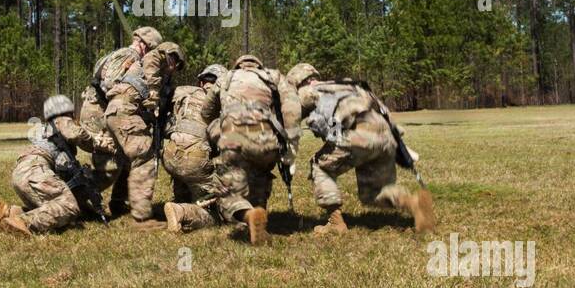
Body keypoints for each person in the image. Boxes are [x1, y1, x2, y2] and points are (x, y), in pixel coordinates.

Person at [285, 63, 436, 235]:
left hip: (359, 135)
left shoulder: (309, 91)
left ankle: (335, 222)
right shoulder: (349, 86)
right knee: (373, 193)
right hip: (385, 137)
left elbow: (292, 116)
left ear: (297, 81)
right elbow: (383, 111)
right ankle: (413, 203)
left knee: (319, 167)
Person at [0, 94, 117, 238]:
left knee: (54, 207)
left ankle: (8, 212)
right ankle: (23, 222)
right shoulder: (62, 120)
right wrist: (100, 144)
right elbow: (76, 134)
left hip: (24, 172)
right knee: (68, 206)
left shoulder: (49, 131)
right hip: (35, 169)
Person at [209, 54, 302, 245]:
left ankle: (248, 215)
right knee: (260, 174)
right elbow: (292, 106)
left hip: (233, 139)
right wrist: (291, 142)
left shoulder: (225, 78)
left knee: (227, 187)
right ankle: (259, 223)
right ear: (259, 65)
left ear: (238, 65)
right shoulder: (273, 75)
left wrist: (216, 127)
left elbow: (206, 111)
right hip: (266, 140)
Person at [79, 26, 167, 225]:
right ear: (145, 45)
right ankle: (71, 197)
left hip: (100, 110)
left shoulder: (119, 54)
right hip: (99, 113)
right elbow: (111, 84)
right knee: (109, 166)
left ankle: (119, 201)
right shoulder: (130, 56)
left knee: (126, 156)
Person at [162, 63, 225, 233]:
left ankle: (180, 201)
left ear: (201, 82)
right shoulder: (220, 99)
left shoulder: (182, 91)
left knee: (184, 174)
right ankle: (181, 212)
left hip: (170, 155)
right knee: (215, 214)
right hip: (195, 160)